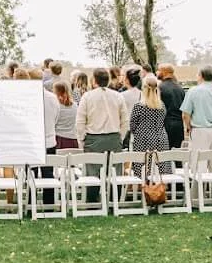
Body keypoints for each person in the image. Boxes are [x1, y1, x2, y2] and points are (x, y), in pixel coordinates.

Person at [74, 67, 129, 202]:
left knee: (92, 171)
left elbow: (80, 121)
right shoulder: (118, 96)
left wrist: (82, 139)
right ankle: (113, 199)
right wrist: (120, 137)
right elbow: (125, 120)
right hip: (113, 137)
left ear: (94, 80)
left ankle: (92, 200)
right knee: (115, 169)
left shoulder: (87, 97)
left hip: (94, 138)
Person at [181, 65, 212, 158]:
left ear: (201, 75)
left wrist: (189, 127)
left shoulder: (193, 91)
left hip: (200, 130)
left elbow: (185, 114)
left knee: (199, 165)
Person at [130, 75, 170, 177]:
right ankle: (157, 192)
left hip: (143, 141)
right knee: (160, 170)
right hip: (161, 139)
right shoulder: (162, 105)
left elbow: (132, 125)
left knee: (143, 170)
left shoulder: (139, 106)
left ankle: (145, 190)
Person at [39, 70, 59, 204]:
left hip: (34, 141)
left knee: (32, 173)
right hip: (49, 139)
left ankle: (31, 201)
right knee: (48, 172)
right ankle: (49, 201)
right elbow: (57, 116)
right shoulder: (52, 97)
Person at [157, 65, 186, 150]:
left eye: (158, 70)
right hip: (179, 125)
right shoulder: (180, 88)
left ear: (164, 72)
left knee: (165, 156)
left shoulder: (160, 88)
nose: (157, 73)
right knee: (178, 156)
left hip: (165, 124)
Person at [53, 81, 78, 150]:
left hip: (59, 140)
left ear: (57, 93)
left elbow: (53, 123)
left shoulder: (56, 106)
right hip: (73, 141)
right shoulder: (75, 105)